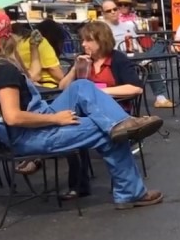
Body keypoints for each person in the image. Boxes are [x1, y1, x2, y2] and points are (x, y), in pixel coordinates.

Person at [0, 10, 163, 210]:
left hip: (14, 132)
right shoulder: (3, 70)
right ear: (9, 37)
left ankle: (121, 123)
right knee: (108, 132)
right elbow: (13, 117)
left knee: (82, 87)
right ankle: (130, 192)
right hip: (29, 135)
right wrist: (56, 119)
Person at [58, 21, 147, 199]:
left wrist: (98, 92)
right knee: (69, 128)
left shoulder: (117, 59)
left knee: (98, 130)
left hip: (115, 110)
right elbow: (63, 89)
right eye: (82, 40)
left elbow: (136, 88)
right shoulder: (83, 61)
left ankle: (125, 188)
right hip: (86, 113)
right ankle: (79, 185)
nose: (83, 44)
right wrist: (75, 69)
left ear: (101, 40)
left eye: (87, 40)